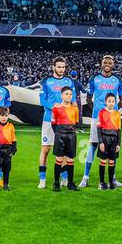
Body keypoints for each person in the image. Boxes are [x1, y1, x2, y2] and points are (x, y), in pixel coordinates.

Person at [81, 55, 122, 188]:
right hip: (97, 118)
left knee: (113, 147)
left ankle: (112, 178)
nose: (107, 64)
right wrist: (98, 112)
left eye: (110, 62)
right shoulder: (94, 78)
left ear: (113, 65)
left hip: (112, 119)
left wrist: (113, 111)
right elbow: (88, 98)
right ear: (101, 64)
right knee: (93, 145)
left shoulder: (118, 79)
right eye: (105, 62)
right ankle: (85, 177)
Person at [37, 57, 76, 188]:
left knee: (64, 150)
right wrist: (54, 107)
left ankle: (64, 178)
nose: (61, 69)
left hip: (64, 121)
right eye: (59, 67)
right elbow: (42, 100)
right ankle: (42, 178)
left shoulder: (69, 81)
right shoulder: (46, 81)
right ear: (53, 67)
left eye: (63, 67)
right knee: (46, 149)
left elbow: (73, 100)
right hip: (49, 119)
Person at [51, 86, 80, 191]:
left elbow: (76, 123)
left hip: (71, 136)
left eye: (70, 94)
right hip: (60, 135)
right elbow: (53, 123)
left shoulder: (75, 109)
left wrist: (70, 131)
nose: (69, 96)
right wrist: (59, 133)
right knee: (59, 159)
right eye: (66, 94)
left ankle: (70, 183)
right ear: (61, 95)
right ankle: (56, 183)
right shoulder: (56, 108)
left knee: (70, 160)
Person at [95, 94, 122, 190]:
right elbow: (98, 129)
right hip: (104, 138)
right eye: (109, 101)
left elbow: (119, 130)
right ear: (105, 102)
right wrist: (101, 142)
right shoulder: (101, 112)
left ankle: (111, 182)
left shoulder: (117, 114)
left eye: (113, 101)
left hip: (114, 140)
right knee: (103, 161)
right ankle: (102, 182)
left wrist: (119, 143)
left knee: (112, 161)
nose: (111, 103)